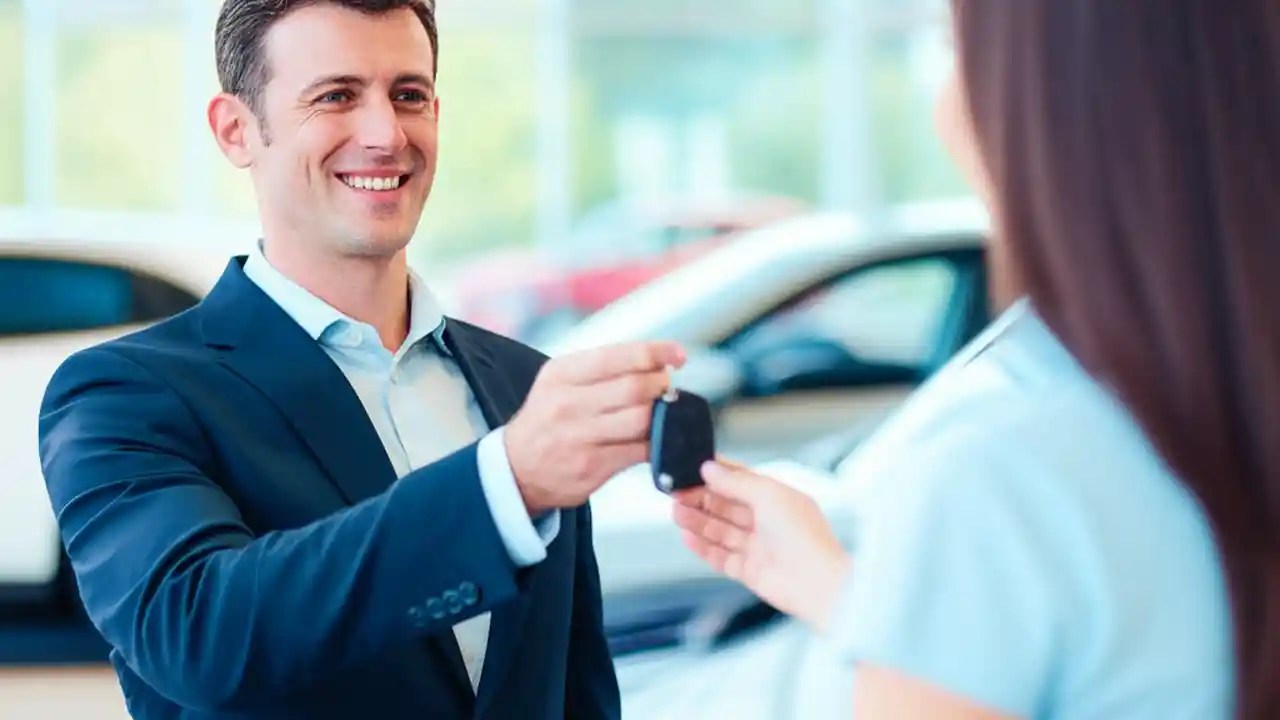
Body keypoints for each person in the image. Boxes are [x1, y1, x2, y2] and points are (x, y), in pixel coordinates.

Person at [37, 1, 681, 717]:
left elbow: (577, 687)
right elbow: (201, 636)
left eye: (409, 96)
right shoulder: (125, 394)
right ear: (236, 129)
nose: (385, 134)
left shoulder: (525, 383)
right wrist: (505, 486)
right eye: (336, 96)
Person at [673, 0, 1279, 718]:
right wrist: (856, 596)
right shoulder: (1218, 412)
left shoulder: (1000, 468)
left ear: (1036, 99)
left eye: (952, 48)